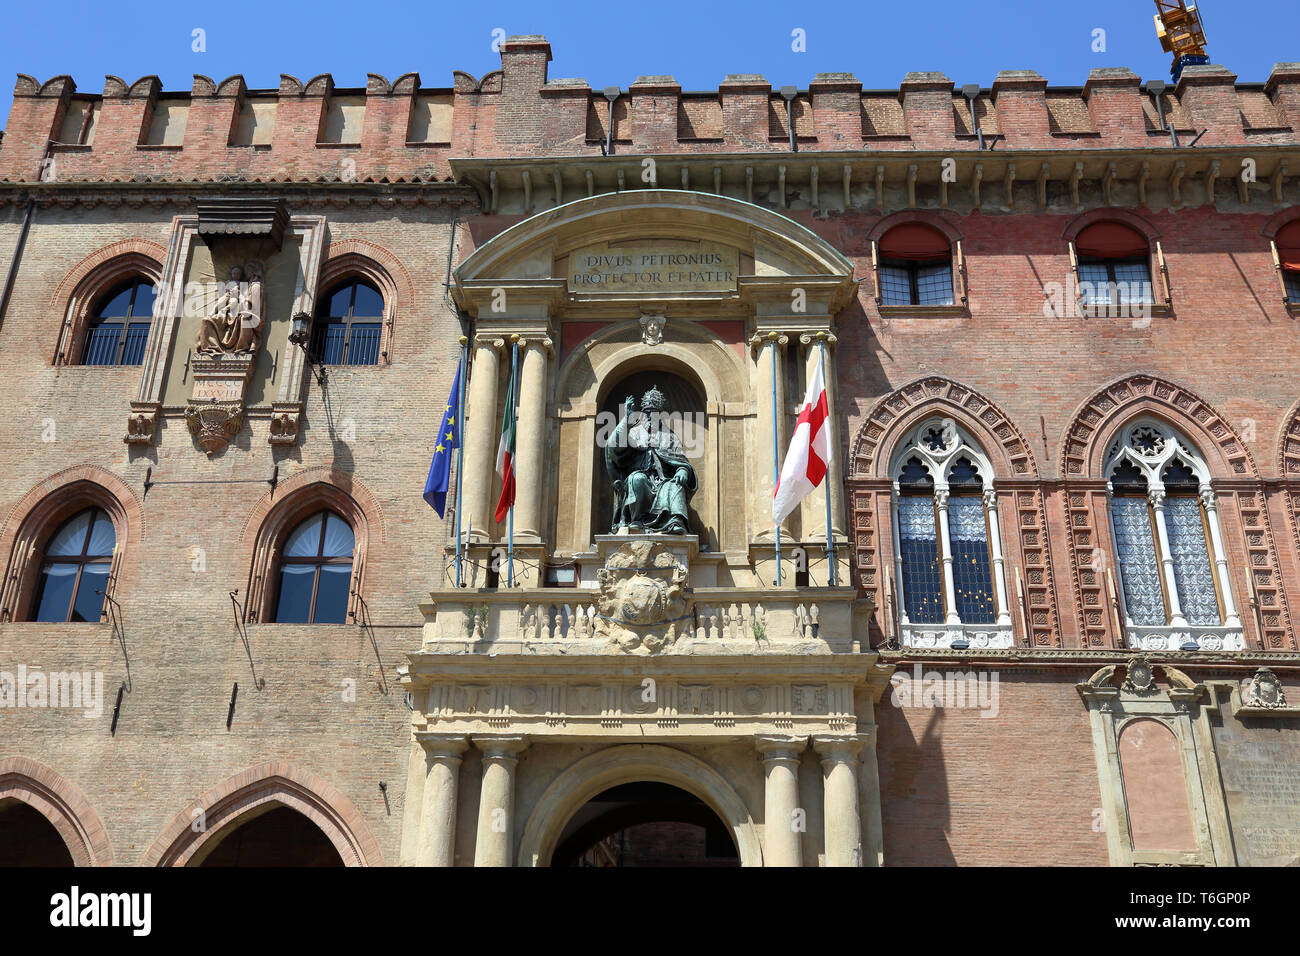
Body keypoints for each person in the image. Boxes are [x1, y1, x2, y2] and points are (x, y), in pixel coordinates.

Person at [603, 385, 697, 534]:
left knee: (674, 486)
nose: (650, 416)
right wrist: (626, 418)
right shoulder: (633, 433)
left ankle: (674, 523)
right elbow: (613, 447)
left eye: (654, 413)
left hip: (664, 479)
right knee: (637, 479)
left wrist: (683, 470)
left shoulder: (669, 436)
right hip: (641, 476)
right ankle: (637, 520)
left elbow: (681, 460)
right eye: (647, 413)